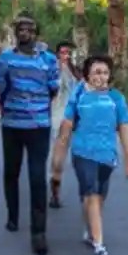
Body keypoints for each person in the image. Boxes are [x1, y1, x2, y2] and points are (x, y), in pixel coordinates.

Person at [0, 14, 60, 255]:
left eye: (29, 29)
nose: (25, 32)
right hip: (12, 124)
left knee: (37, 177)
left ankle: (38, 232)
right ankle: (12, 215)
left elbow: (53, 89)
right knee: (11, 172)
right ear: (15, 32)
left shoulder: (49, 60)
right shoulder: (6, 58)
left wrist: (36, 107)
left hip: (39, 125)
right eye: (21, 29)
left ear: (36, 33)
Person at [51, 56, 128, 255]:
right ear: (88, 75)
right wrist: (58, 159)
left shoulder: (117, 99)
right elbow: (67, 127)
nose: (101, 77)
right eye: (97, 72)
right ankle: (99, 247)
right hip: (83, 153)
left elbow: (125, 131)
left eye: (105, 73)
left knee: (98, 197)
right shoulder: (78, 96)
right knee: (93, 194)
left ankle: (90, 230)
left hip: (107, 156)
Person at [49, 40, 82, 209]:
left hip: (68, 117)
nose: (65, 56)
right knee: (56, 155)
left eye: (68, 53)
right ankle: (54, 186)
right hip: (52, 116)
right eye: (62, 52)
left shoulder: (75, 73)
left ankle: (55, 189)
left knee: (60, 155)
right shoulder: (51, 70)